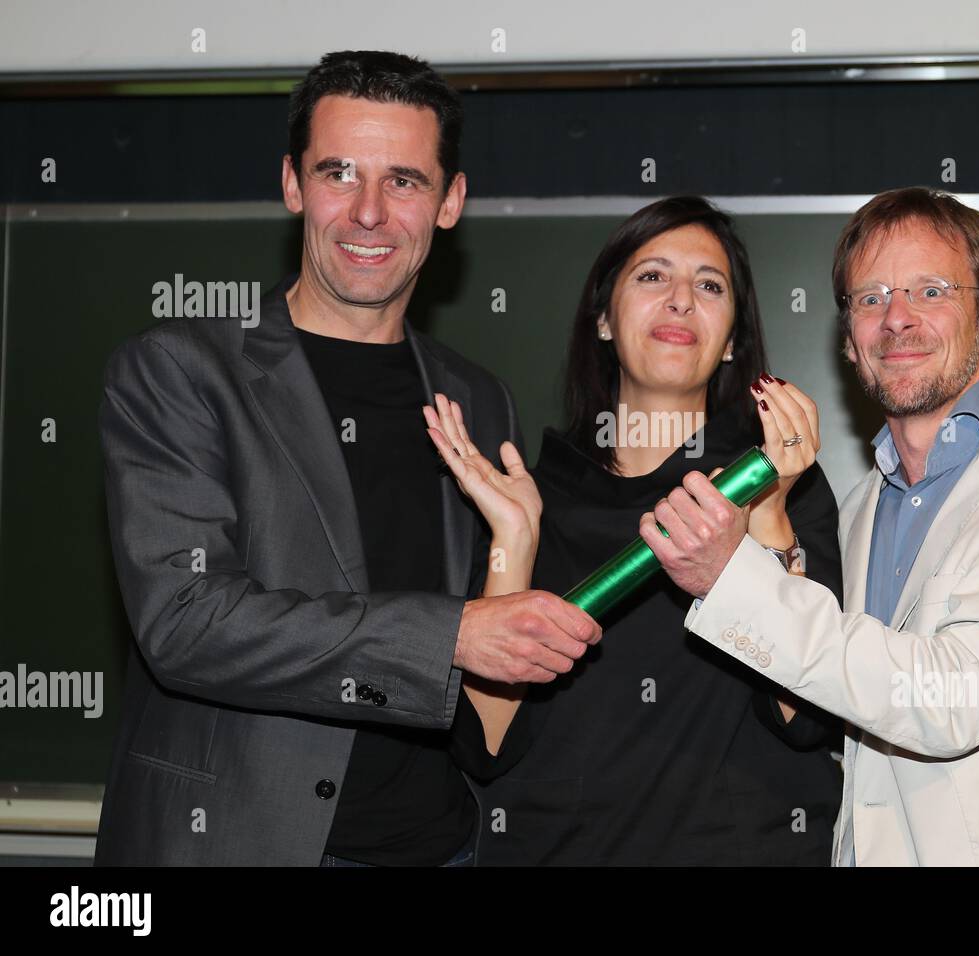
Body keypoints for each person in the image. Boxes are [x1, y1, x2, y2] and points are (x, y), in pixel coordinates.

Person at [94, 50, 600, 867]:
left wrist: (512, 562)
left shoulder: (478, 398)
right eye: (339, 173)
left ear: (450, 202)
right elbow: (186, 622)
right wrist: (450, 635)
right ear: (294, 185)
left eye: (403, 180)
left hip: (441, 848)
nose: (369, 212)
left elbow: (489, 668)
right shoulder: (179, 371)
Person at [640, 187, 979, 866]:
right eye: (871, 298)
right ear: (849, 341)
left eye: (931, 291)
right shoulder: (854, 514)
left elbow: (958, 699)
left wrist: (732, 581)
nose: (897, 320)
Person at [425, 197, 843, 865]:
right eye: (653, 276)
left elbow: (807, 718)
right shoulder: (530, 495)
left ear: (733, 337)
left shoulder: (781, 482)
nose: (681, 300)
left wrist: (767, 508)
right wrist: (513, 539)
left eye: (710, 285)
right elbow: (487, 747)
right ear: (601, 319)